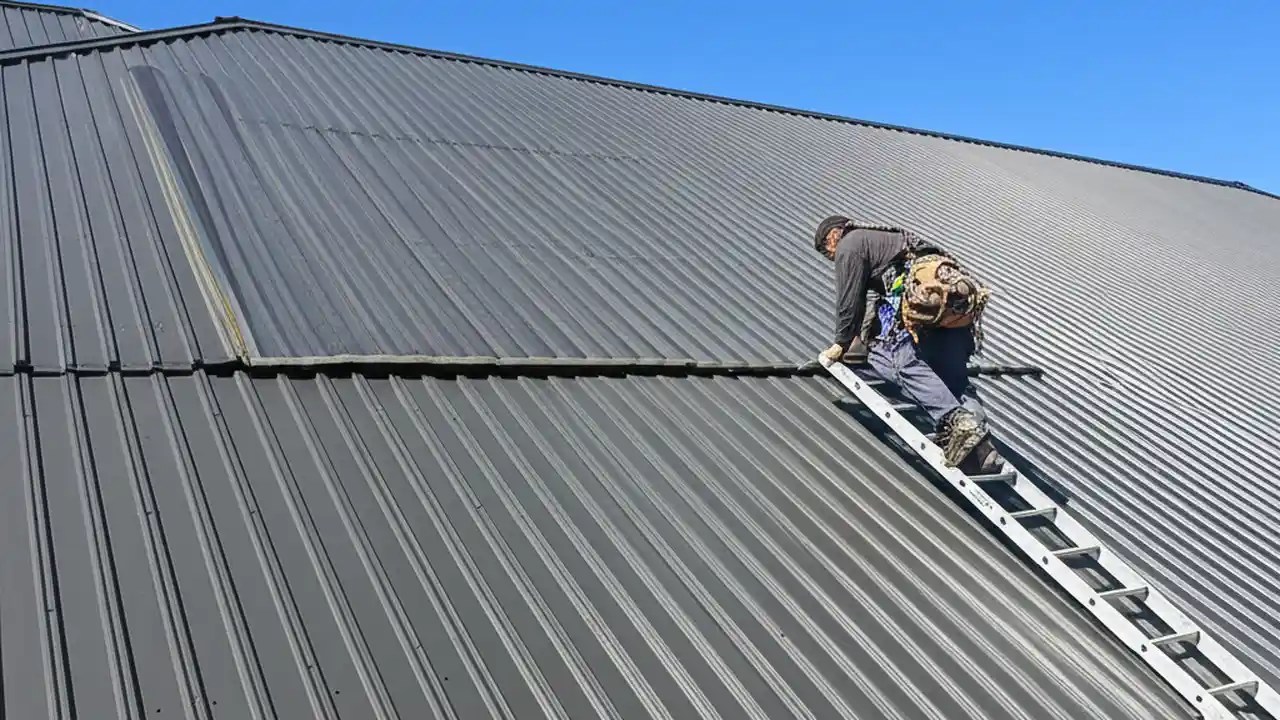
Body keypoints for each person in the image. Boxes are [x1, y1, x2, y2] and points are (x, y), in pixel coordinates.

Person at [814, 215, 1004, 474]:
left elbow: (850, 299)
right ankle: (982, 452)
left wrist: (841, 342)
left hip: (917, 313)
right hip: (948, 321)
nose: (831, 256)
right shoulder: (889, 239)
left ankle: (956, 421)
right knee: (953, 381)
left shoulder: (851, 244)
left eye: (827, 250)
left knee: (898, 359)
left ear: (833, 235)